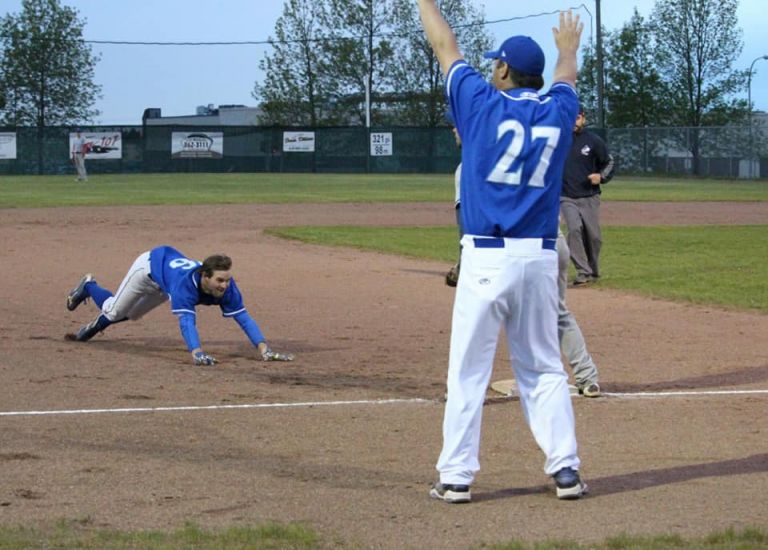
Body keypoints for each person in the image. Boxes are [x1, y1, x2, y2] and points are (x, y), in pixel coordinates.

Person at [418, 1, 587, 503]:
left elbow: (444, 44)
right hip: (538, 259)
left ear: (505, 70)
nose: (492, 68)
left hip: (486, 258)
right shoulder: (559, 109)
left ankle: (456, 477)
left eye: (496, 63)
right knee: (543, 368)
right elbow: (566, 76)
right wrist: (568, 49)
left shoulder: (479, 103)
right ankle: (566, 471)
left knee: (468, 372)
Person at [65, 246, 294, 365]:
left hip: (166, 283)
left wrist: (265, 349)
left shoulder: (227, 287)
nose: (225, 285)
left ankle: (95, 324)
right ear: (205, 276)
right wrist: (197, 353)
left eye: (227, 279)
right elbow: (187, 322)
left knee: (132, 315)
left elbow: (243, 317)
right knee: (115, 310)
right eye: (220, 280)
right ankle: (88, 286)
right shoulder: (186, 287)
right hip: (149, 268)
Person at [560, 107, 615, 285]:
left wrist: (601, 177)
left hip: (589, 196)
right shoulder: (559, 140)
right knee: (574, 229)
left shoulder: (593, 141)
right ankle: (583, 271)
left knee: (594, 237)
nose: (573, 121)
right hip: (566, 196)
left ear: (583, 118)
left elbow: (609, 162)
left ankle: (592, 270)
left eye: (577, 117)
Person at [557, 226, 601, 397]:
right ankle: (587, 378)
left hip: (525, 246)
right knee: (557, 313)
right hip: (554, 241)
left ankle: (543, 376)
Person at [444, 110, 463, 287]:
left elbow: (467, 229)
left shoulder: (465, 170)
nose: (453, 130)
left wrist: (463, 265)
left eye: (456, 125)